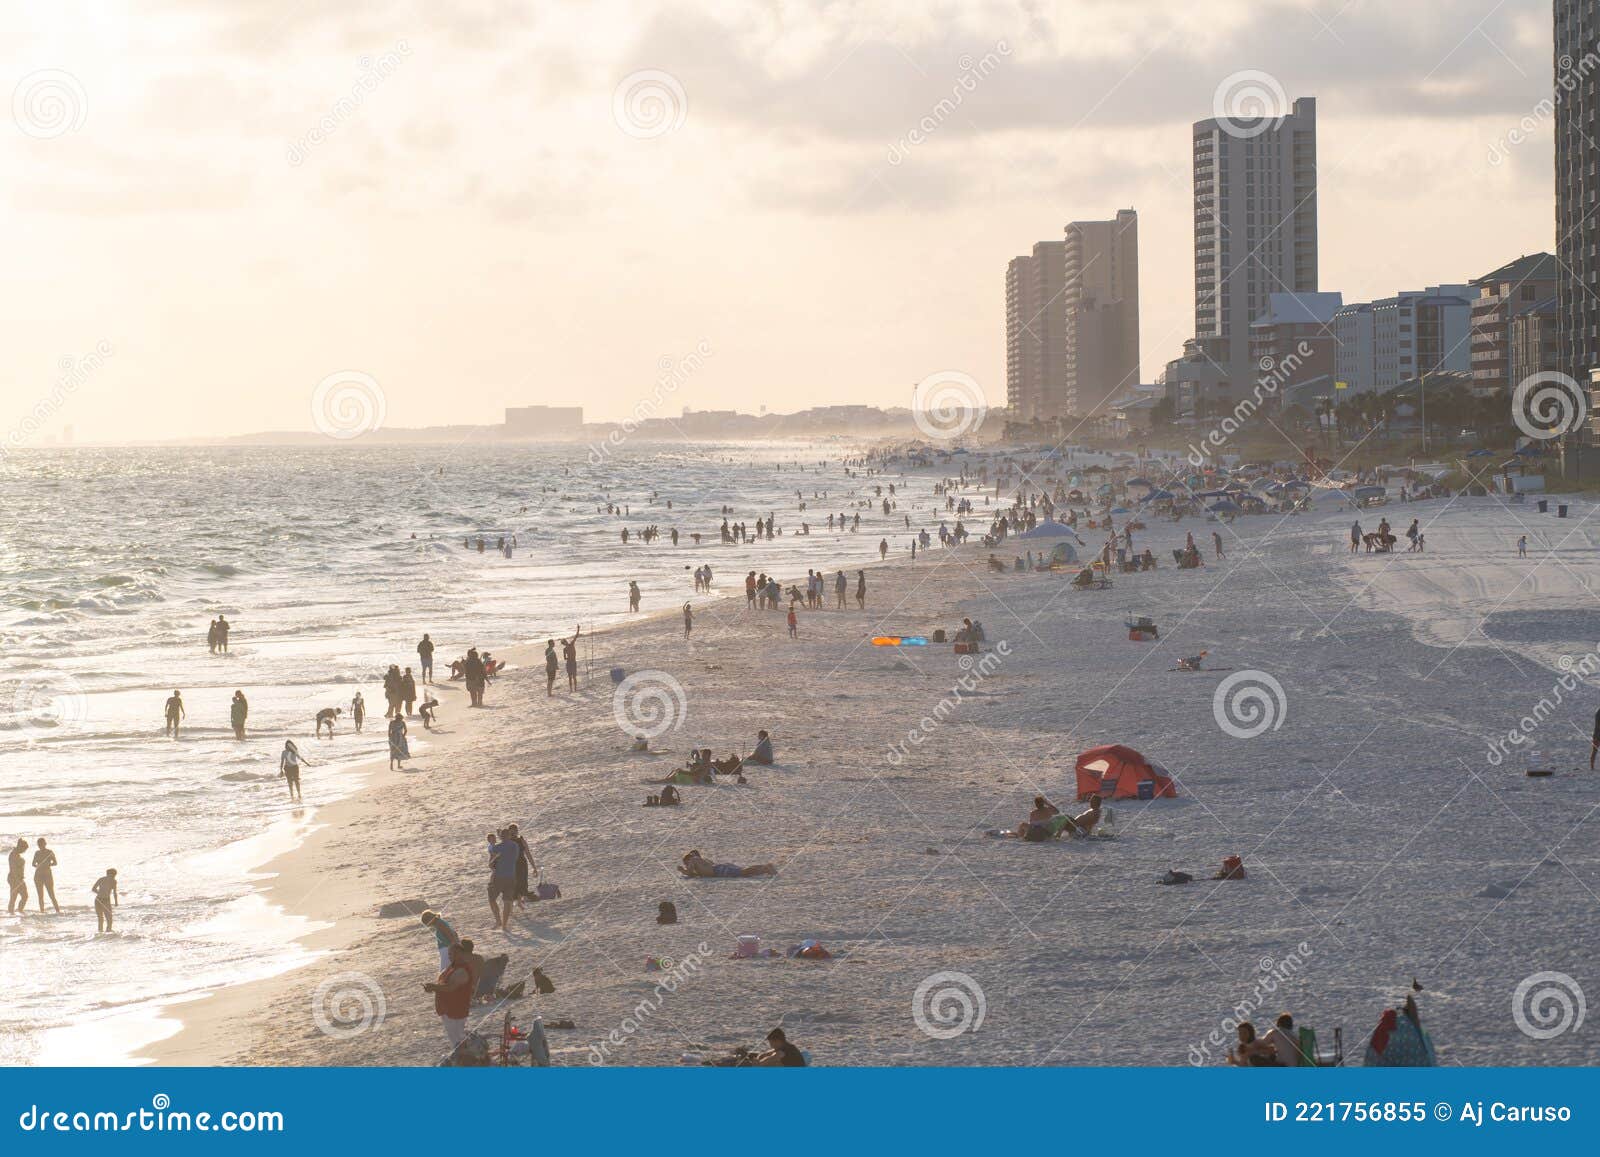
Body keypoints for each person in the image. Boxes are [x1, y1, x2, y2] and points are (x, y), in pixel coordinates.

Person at [423, 942, 474, 1052]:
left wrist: (434, 987)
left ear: (462, 954)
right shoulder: (452, 967)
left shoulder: (462, 970)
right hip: (447, 1009)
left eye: (455, 953)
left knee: (458, 1041)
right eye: (450, 953)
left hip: (456, 1010)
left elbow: (451, 987)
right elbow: (443, 984)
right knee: (455, 1040)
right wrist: (433, 988)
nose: (451, 956)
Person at [488, 830, 519, 929]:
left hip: (499, 877)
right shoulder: (515, 845)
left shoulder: (497, 848)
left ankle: (498, 921)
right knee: (507, 900)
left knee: (492, 899)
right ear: (509, 836)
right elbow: (515, 858)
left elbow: (491, 863)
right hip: (511, 876)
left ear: (501, 837)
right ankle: (504, 925)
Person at [679, 850, 776, 878]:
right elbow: (697, 874)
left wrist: (682, 870)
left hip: (718, 870)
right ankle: (765, 868)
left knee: (743, 873)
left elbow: (689, 873)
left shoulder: (693, 860)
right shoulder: (701, 862)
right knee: (744, 872)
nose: (686, 866)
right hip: (720, 867)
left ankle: (766, 867)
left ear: (688, 860)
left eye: (686, 864)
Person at [31, 838, 61, 914]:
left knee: (51, 894)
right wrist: (38, 865)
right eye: (39, 845)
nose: (40, 846)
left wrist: (48, 864)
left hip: (47, 875)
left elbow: (55, 863)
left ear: (45, 844)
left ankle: (58, 911)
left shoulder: (50, 852)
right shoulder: (36, 853)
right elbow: (33, 864)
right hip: (38, 875)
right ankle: (42, 912)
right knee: (40, 896)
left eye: (42, 844)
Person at [91, 867, 118, 933]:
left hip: (98, 900)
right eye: (114, 875)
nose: (113, 876)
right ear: (113, 874)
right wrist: (116, 902)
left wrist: (99, 893)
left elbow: (93, 889)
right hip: (105, 900)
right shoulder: (113, 881)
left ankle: (102, 932)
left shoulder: (101, 879)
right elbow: (114, 893)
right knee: (108, 918)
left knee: (101, 918)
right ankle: (107, 932)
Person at [7, 838, 28, 913]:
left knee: (24, 896)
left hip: (19, 878)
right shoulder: (13, 855)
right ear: (20, 847)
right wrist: (18, 881)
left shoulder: (17, 854)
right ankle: (11, 913)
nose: (24, 851)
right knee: (14, 897)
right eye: (24, 849)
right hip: (14, 878)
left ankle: (19, 911)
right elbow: (13, 869)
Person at [562, 625, 581, 691]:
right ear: (563, 644)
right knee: (570, 677)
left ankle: (575, 689)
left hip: (572, 662)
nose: (566, 642)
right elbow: (564, 658)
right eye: (564, 642)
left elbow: (576, 636)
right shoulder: (565, 649)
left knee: (574, 676)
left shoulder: (572, 644)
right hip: (569, 663)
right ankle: (571, 689)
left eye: (565, 641)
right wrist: (569, 658)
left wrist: (578, 629)